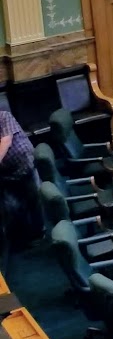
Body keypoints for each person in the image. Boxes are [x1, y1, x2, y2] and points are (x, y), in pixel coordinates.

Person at [0, 106, 42, 259]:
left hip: (25, 164)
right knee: (13, 206)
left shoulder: (4, 116)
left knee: (34, 200)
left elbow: (6, 141)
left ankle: (38, 235)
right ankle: (21, 239)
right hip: (6, 174)